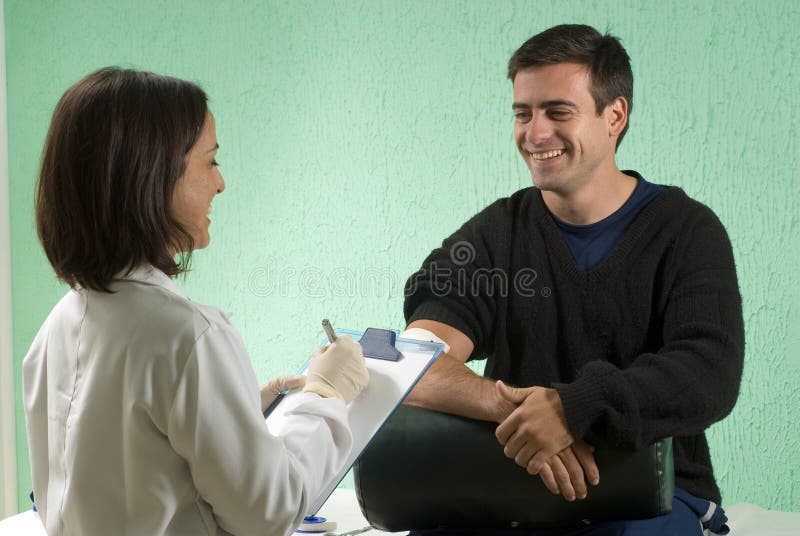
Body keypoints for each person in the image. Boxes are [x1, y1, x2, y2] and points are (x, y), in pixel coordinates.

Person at [401, 24, 743, 535]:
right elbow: (416, 360)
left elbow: (709, 371)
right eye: (523, 113)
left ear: (615, 116)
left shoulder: (687, 231)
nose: (535, 133)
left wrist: (572, 409)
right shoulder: (496, 234)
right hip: (514, 487)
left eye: (558, 112)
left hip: (650, 495)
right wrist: (517, 410)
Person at [22, 67, 369, 536]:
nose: (220, 183)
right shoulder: (188, 336)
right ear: (152, 176)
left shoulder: (58, 325)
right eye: (210, 162)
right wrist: (324, 397)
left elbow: (124, 469)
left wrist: (237, 412)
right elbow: (269, 512)